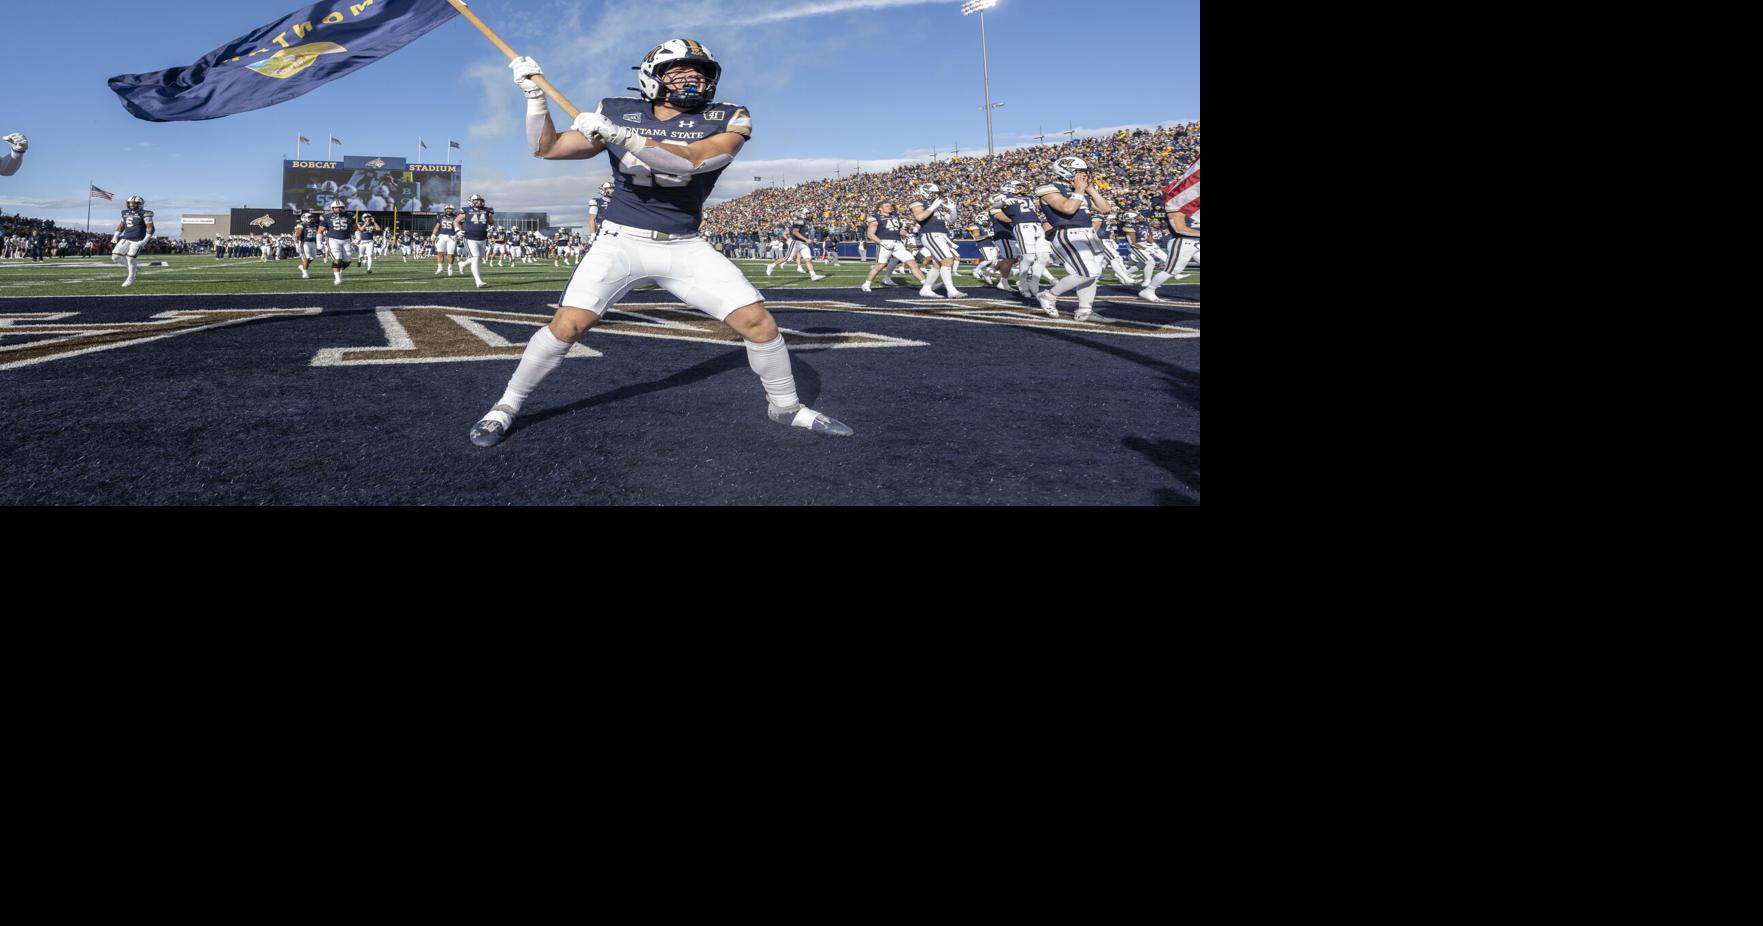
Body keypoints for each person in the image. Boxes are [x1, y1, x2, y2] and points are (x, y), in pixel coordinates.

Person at [468, 40, 852, 447]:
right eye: (679, 70)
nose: (693, 78)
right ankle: (506, 406)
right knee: (568, 326)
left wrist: (626, 138)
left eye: (700, 72)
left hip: (684, 245)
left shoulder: (726, 117)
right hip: (621, 241)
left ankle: (786, 407)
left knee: (759, 323)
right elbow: (545, 148)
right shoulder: (617, 109)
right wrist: (535, 98)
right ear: (651, 77)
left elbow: (694, 160)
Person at [1033, 156, 1116, 322]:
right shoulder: (1048, 188)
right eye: (1079, 171)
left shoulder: (1080, 190)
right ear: (1066, 171)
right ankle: (1048, 295)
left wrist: (1090, 189)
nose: (1083, 174)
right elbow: (1068, 209)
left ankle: (1085, 311)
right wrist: (1079, 190)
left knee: (1095, 273)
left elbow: (1106, 208)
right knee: (1087, 272)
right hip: (1068, 233)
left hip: (1088, 233)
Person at [907, 183, 966, 297]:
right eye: (934, 193)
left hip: (941, 234)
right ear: (926, 192)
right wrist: (933, 206)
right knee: (948, 259)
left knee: (937, 264)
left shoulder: (936, 205)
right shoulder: (918, 202)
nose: (937, 195)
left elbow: (951, 221)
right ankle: (951, 290)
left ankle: (926, 289)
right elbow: (919, 217)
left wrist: (953, 210)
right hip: (930, 234)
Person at [860, 202, 931, 294]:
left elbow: (899, 229)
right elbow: (870, 234)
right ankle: (866, 284)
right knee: (880, 266)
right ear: (880, 208)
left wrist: (902, 231)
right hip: (885, 243)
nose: (890, 207)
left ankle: (926, 285)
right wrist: (882, 243)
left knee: (912, 263)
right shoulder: (875, 218)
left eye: (891, 206)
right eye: (887, 206)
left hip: (898, 243)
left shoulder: (895, 216)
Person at [1139, 206, 1199, 302]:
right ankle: (1148, 290)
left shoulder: (1194, 208)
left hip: (1196, 242)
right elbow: (1180, 229)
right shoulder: (1176, 208)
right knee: (1173, 270)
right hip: (1182, 242)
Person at [766, 206, 826, 280]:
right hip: (796, 242)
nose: (809, 215)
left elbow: (800, 232)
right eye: (807, 213)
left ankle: (813, 275)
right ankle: (771, 265)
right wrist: (806, 239)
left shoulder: (806, 222)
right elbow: (795, 232)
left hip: (803, 244)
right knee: (787, 258)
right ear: (802, 214)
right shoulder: (799, 221)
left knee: (808, 259)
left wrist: (807, 239)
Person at [111, 195, 154, 288]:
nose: (131, 205)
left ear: (140, 204)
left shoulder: (145, 213)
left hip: (137, 240)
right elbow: (122, 225)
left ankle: (131, 278)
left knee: (130, 259)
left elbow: (150, 228)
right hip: (126, 238)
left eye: (134, 203)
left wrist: (145, 241)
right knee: (115, 257)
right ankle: (136, 268)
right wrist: (115, 236)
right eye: (130, 203)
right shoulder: (124, 212)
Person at [458, 194, 493, 287]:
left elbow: (491, 222)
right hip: (470, 237)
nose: (479, 202)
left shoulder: (487, 210)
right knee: (476, 258)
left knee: (478, 258)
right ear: (471, 202)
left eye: (480, 200)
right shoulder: (466, 210)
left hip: (482, 237)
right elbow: (456, 221)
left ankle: (463, 264)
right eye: (476, 200)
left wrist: (492, 228)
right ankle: (478, 281)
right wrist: (458, 230)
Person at [320, 199, 356, 286]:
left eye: (340, 207)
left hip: (346, 239)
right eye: (336, 208)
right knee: (337, 259)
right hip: (333, 239)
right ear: (332, 208)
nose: (338, 209)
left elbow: (355, 228)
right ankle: (337, 279)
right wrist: (318, 242)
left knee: (348, 261)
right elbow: (320, 230)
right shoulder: (327, 216)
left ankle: (339, 270)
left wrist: (357, 237)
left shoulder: (349, 215)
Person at [431, 205, 459, 276]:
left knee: (451, 254)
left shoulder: (456, 217)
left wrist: (458, 234)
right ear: (445, 209)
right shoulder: (440, 216)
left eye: (450, 209)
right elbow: (437, 226)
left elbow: (459, 226)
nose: (449, 210)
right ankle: (440, 267)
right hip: (441, 236)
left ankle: (450, 267)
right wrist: (433, 234)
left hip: (452, 236)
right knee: (440, 252)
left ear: (453, 210)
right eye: (447, 209)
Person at [296, 211, 321, 279]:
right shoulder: (301, 225)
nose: (311, 218)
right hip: (305, 243)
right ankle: (305, 273)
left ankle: (302, 266)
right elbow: (297, 235)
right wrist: (296, 245)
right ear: (304, 218)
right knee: (307, 258)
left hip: (313, 242)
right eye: (310, 217)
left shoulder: (314, 225)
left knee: (312, 258)